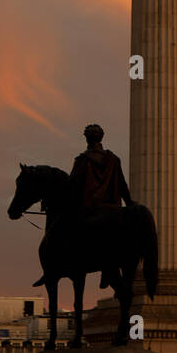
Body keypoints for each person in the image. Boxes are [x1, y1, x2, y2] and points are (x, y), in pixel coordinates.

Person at [69, 123, 132, 289]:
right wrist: (131, 205)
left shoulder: (82, 160)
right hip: (113, 207)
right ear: (101, 137)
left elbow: (72, 187)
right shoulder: (114, 159)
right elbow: (123, 185)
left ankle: (69, 264)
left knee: (69, 236)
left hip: (90, 209)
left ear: (87, 138)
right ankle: (108, 269)